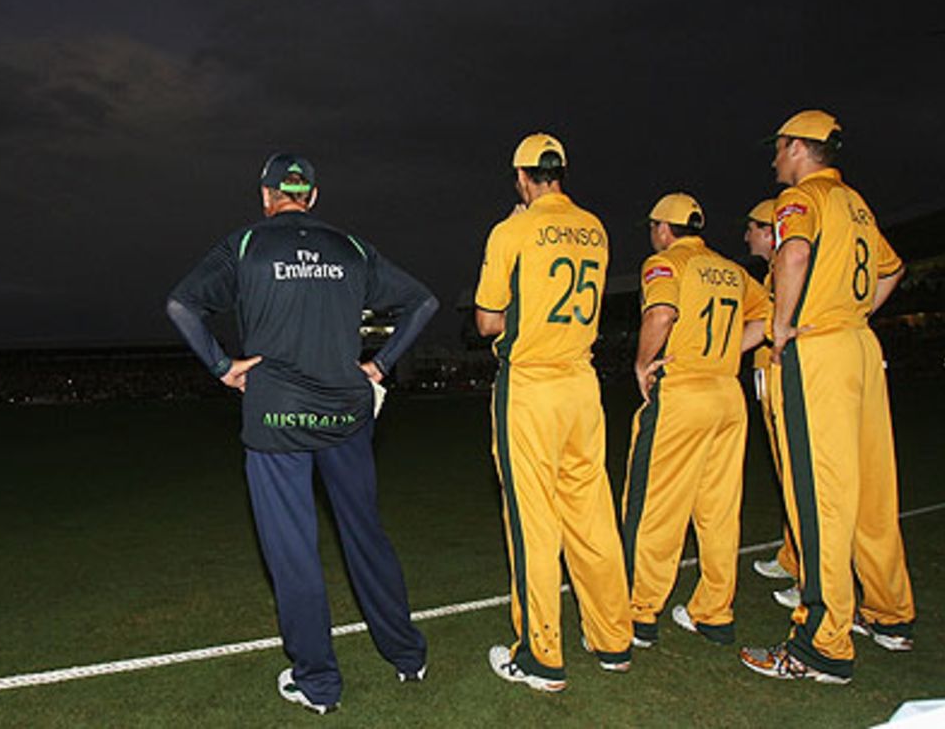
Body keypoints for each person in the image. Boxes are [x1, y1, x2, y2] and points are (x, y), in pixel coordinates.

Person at [166, 153, 437, 714]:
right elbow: (424, 302)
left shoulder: (245, 244)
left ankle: (318, 683)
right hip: (345, 415)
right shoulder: (351, 247)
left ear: (266, 196)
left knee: (293, 553)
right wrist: (380, 365)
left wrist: (222, 367)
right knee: (365, 535)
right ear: (312, 197)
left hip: (276, 419)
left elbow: (181, 305)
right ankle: (407, 655)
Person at [740, 110, 916, 684]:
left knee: (819, 498)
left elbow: (793, 254)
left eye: (779, 147)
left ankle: (822, 643)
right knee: (873, 490)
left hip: (817, 352)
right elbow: (891, 270)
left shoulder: (800, 199)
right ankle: (890, 614)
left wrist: (783, 327)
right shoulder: (855, 204)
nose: (774, 158)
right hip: (859, 347)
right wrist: (851, 313)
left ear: (797, 147)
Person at [474, 133, 633, 693]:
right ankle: (613, 639)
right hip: (582, 386)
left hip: (532, 387)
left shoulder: (511, 231)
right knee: (592, 514)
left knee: (533, 522)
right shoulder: (596, 228)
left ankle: (541, 656)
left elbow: (487, 321)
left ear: (522, 178)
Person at [621, 193, 767, 649]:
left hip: (683, 395)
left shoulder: (665, 263)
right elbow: (770, 313)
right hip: (727, 396)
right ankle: (715, 613)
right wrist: (727, 352)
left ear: (664, 229)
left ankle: (639, 612)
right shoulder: (731, 270)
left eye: (654, 227)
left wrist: (643, 363)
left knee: (656, 508)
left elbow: (662, 313)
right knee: (719, 512)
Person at [743, 199, 802, 610]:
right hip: (770, 380)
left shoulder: (788, 269)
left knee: (800, 476)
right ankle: (792, 556)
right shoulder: (769, 275)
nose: (746, 236)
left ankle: (811, 577)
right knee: (786, 473)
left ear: (769, 232)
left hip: (787, 379)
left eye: (753, 228)